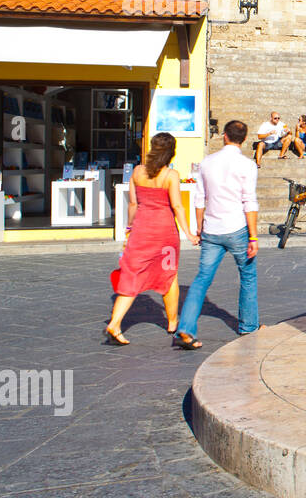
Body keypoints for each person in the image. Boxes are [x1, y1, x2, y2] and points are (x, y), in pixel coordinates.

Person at [104, 133, 198, 346]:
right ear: (171, 151)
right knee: (170, 275)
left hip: (140, 231)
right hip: (164, 234)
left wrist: (129, 228)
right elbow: (177, 206)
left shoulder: (137, 172)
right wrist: (189, 233)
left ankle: (115, 322)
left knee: (131, 277)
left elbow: (133, 205)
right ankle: (173, 322)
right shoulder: (170, 175)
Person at [176, 120, 262, 347]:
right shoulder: (248, 165)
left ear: (224, 136)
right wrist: (253, 236)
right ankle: (248, 326)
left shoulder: (207, 162)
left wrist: (199, 225)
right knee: (248, 276)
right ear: (243, 140)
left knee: (201, 279)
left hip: (212, 229)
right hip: (237, 228)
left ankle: (185, 328)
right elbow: (249, 202)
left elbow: (199, 197)